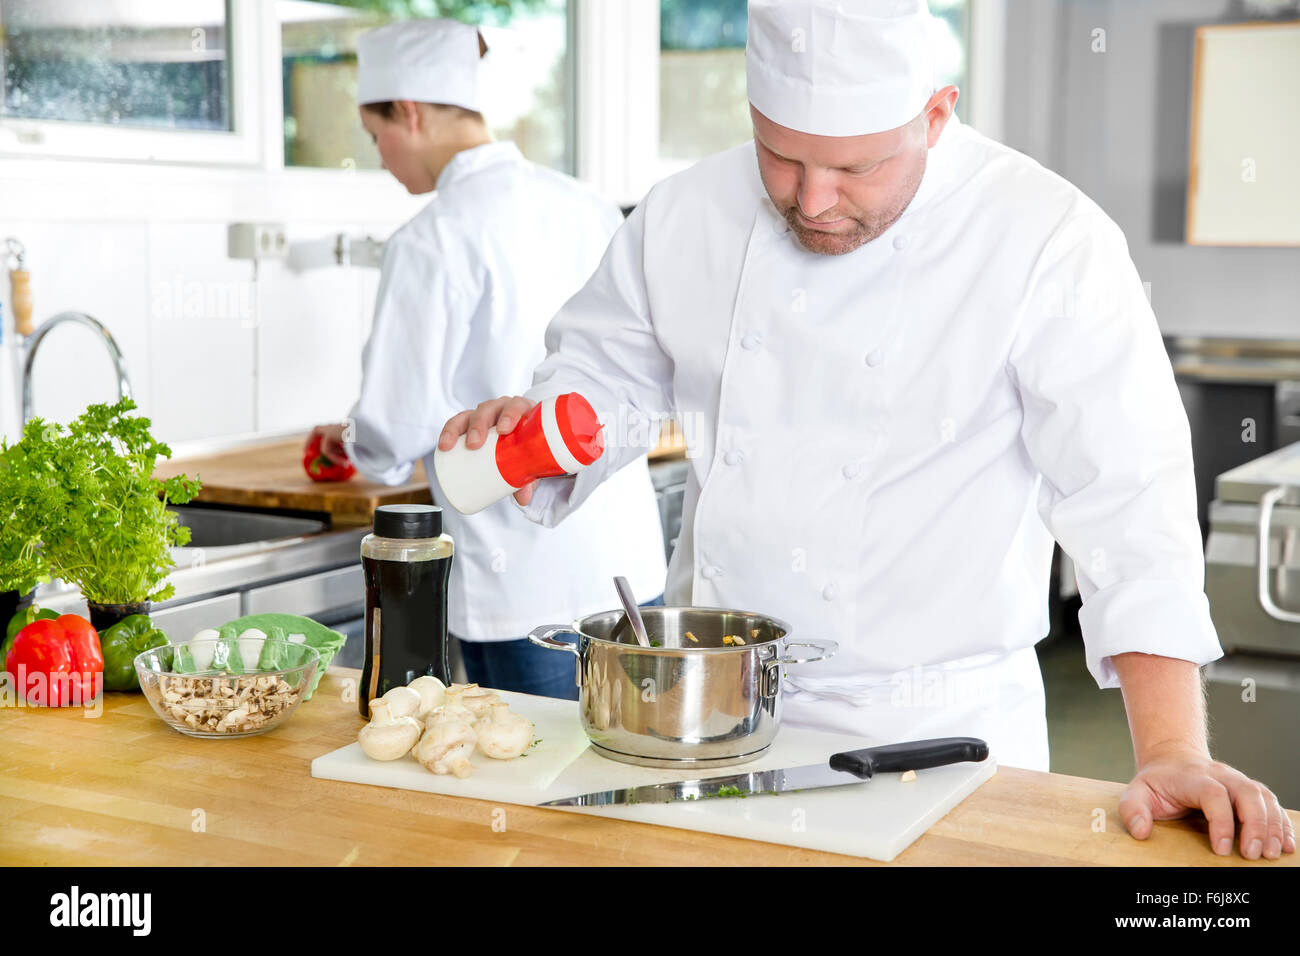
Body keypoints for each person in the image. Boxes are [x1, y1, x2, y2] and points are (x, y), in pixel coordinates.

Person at [437, 0, 1295, 859]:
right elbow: (604, 378)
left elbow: (1129, 505)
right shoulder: (682, 214)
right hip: (707, 725)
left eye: (856, 166)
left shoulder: (1045, 238)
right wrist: (541, 423)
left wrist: (1174, 749)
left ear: (935, 115)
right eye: (780, 155)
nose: (812, 200)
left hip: (940, 740)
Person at [309, 18, 667, 699]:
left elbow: (393, 430)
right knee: (624, 786)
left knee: (532, 793)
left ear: (408, 114)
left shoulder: (430, 238)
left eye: (376, 133)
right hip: (629, 575)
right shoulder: (586, 207)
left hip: (522, 595)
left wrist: (357, 441)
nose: (380, 155)